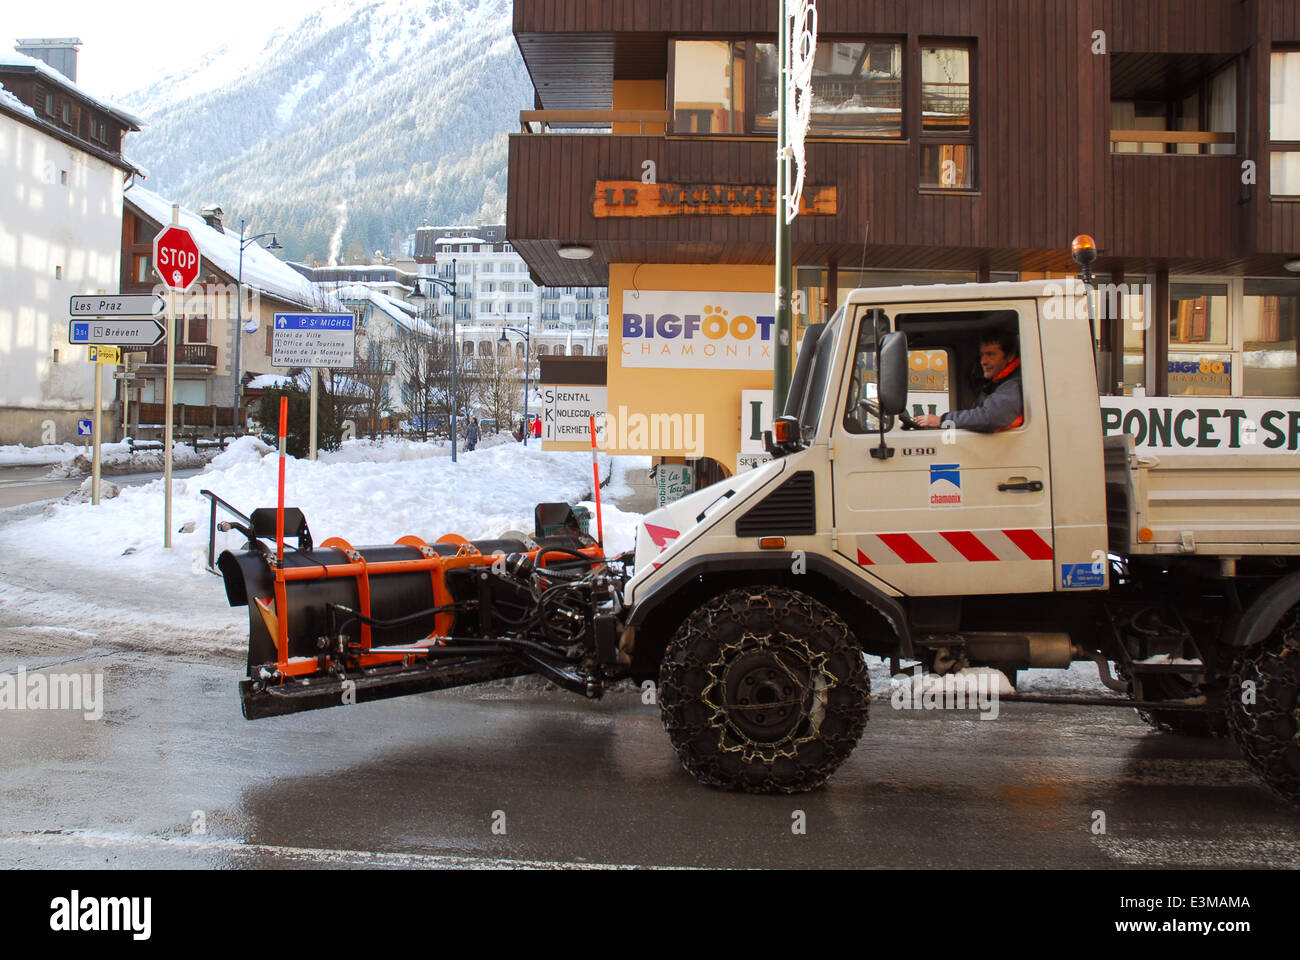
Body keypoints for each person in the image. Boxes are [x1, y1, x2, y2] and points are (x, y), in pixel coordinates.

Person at [915, 331, 1023, 432]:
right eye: (982, 355)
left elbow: (990, 417)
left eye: (991, 354)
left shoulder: (1013, 385)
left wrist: (943, 420)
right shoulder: (997, 383)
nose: (983, 361)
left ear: (1010, 356)